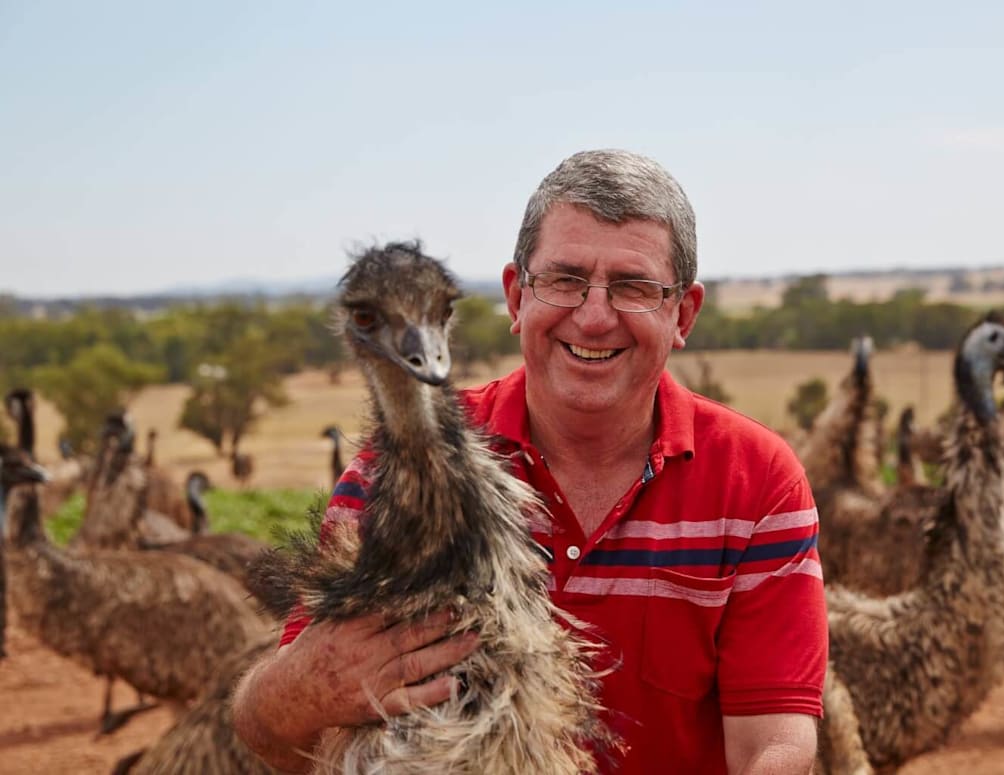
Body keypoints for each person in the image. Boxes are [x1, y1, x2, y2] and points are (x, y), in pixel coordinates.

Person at [232, 149, 827, 774]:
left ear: (682, 314)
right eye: (564, 280)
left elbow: (774, 748)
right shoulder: (390, 480)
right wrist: (305, 687)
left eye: (633, 288)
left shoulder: (754, 480)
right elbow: (270, 732)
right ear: (517, 297)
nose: (594, 317)